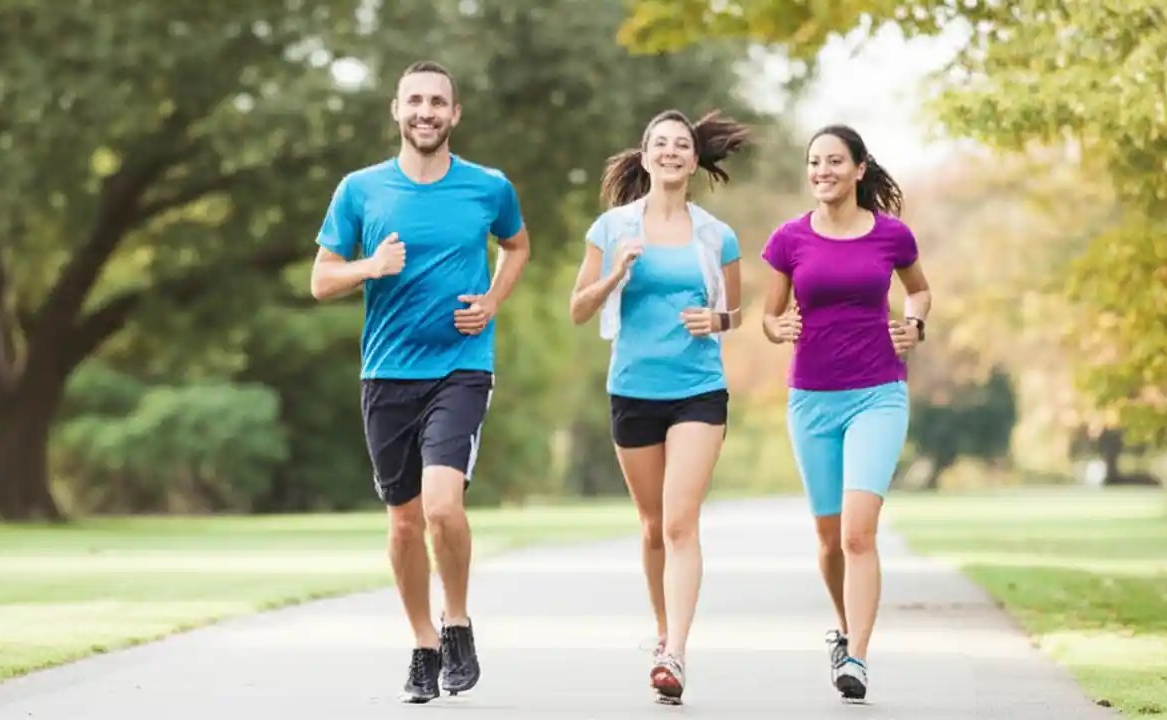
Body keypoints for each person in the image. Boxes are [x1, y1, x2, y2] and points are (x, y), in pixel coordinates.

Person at [308, 60, 531, 704]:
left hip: (461, 366)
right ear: (396, 110)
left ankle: (457, 622)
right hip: (385, 374)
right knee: (403, 521)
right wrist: (370, 266)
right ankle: (422, 642)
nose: (426, 111)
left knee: (441, 504)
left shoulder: (488, 188)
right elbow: (321, 280)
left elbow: (516, 247)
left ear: (455, 114)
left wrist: (492, 301)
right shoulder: (360, 190)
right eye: (415, 101)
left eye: (438, 101)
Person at [568, 109, 750, 705]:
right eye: (660, 144)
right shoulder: (612, 228)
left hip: (698, 388)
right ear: (644, 157)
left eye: (682, 145)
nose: (671, 152)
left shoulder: (716, 234)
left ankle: (676, 651)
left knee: (679, 522)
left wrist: (717, 319)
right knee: (651, 528)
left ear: (694, 161)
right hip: (633, 389)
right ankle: (662, 633)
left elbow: (737, 314)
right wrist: (616, 272)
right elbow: (578, 308)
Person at [759, 124, 931, 703]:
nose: (823, 171)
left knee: (860, 534)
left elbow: (920, 291)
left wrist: (915, 323)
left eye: (835, 161)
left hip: (878, 392)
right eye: (814, 162)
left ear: (860, 169)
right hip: (811, 397)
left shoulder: (891, 236)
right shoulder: (789, 239)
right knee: (830, 539)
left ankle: (857, 654)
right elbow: (769, 316)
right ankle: (843, 628)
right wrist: (775, 326)